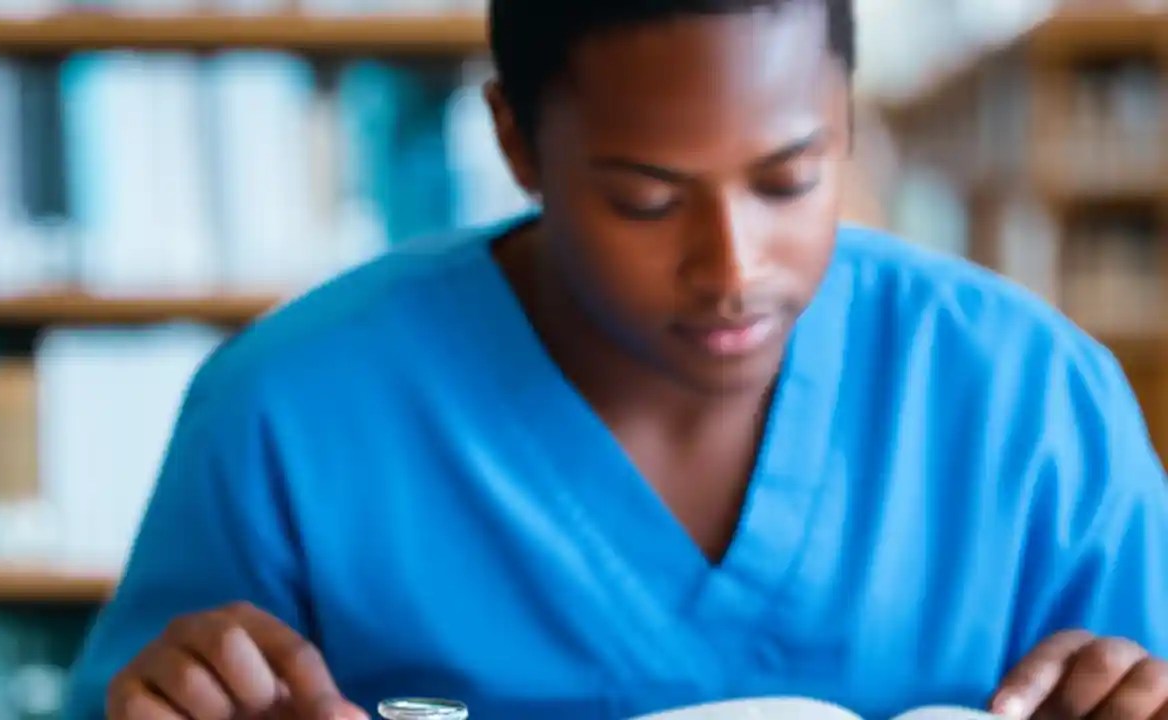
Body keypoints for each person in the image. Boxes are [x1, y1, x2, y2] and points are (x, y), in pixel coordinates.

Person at [67, 0, 1168, 718]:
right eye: (644, 199)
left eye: (790, 178)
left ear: (844, 123)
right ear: (514, 144)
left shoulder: (1031, 403)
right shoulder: (288, 416)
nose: (732, 267)